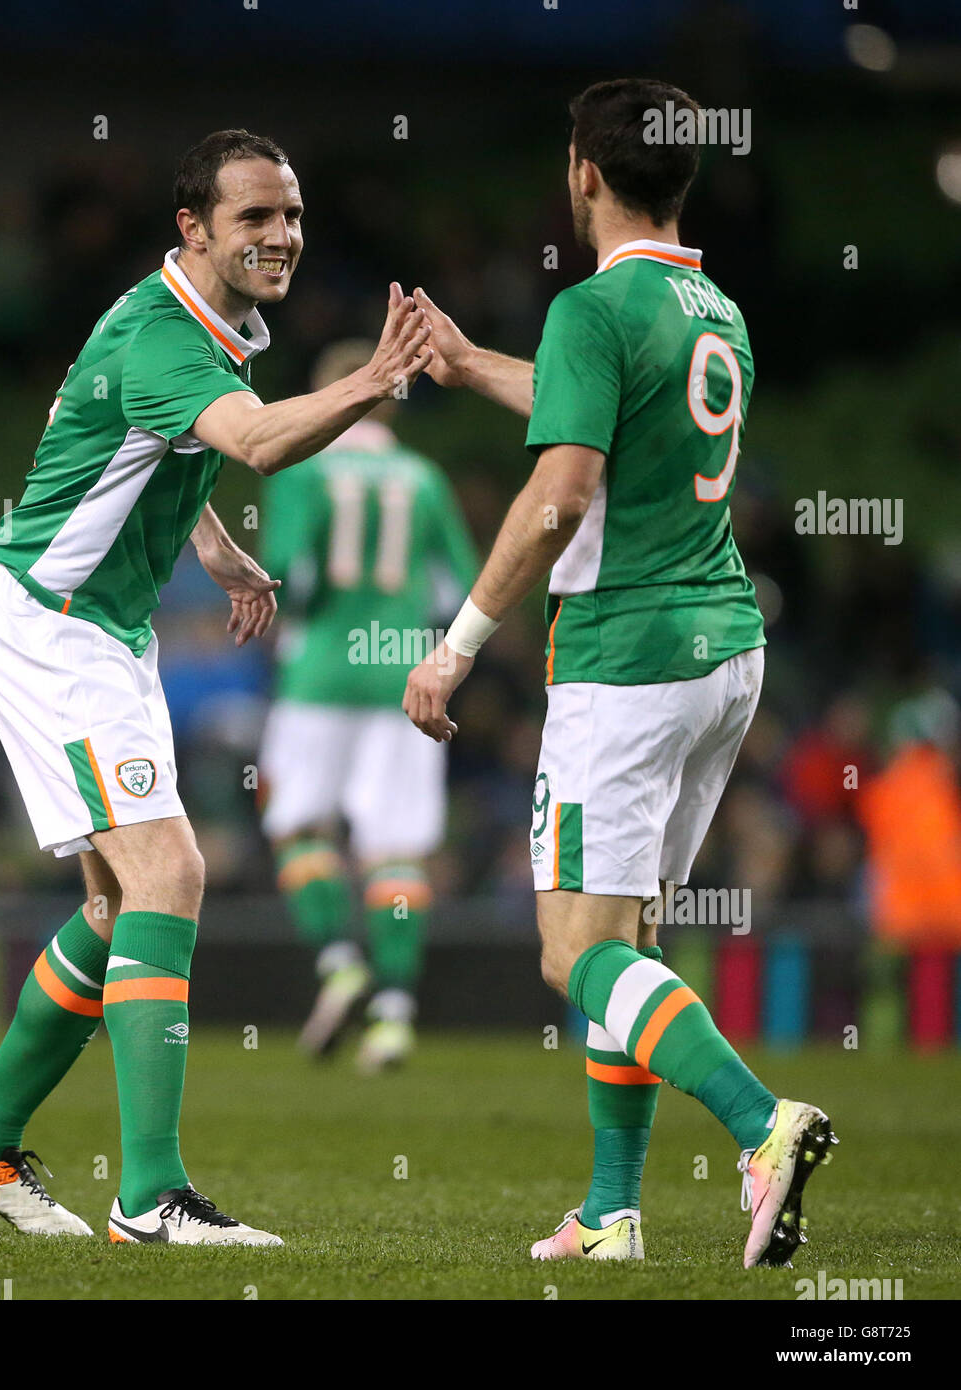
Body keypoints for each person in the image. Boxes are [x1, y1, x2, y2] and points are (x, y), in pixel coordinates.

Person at [0, 129, 431, 1246]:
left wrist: (208, 545)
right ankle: (149, 1196)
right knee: (174, 870)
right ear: (193, 229)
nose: (281, 235)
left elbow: (156, 444)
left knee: (117, 906)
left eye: (290, 214)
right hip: (52, 624)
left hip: (96, 623)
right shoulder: (168, 334)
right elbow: (250, 442)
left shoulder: (208, 322)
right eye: (255, 217)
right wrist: (372, 379)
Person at [403, 79, 836, 1267]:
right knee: (629, 938)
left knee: (570, 949)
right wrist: (468, 361)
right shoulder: (713, 308)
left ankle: (763, 1123)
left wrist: (452, 648)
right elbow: (604, 412)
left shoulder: (590, 308)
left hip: (626, 658)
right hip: (721, 650)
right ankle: (608, 1212)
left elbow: (559, 494)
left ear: (582, 173)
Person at [257, 339, 478, 1071]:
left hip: (319, 676)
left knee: (296, 826)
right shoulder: (424, 478)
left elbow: (292, 575)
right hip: (401, 677)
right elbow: (458, 592)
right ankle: (393, 1016)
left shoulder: (303, 468)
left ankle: (339, 960)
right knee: (396, 851)